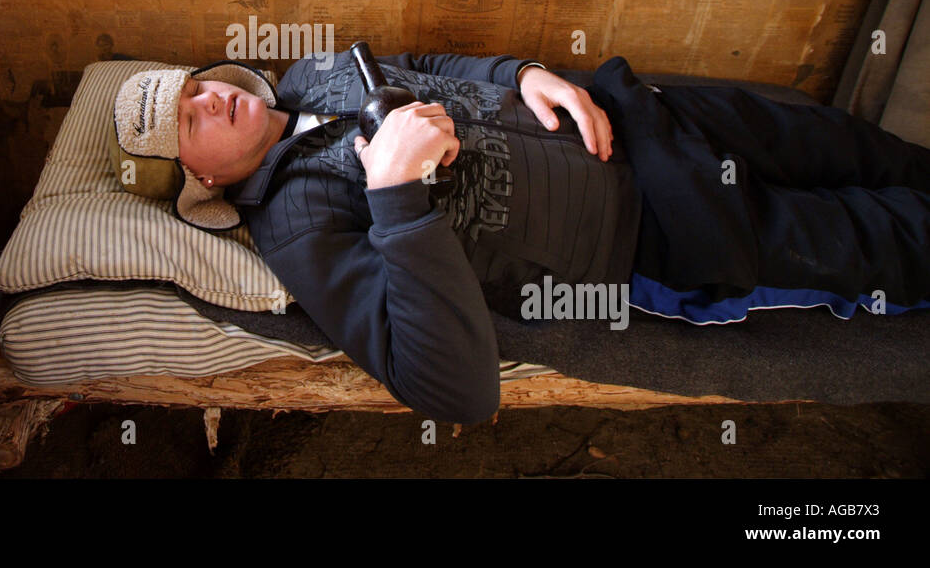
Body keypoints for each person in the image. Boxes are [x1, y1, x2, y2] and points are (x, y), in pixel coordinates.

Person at [109, 51, 930, 423]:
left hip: (642, 115)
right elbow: (454, 392)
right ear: (202, 180)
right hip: (660, 231)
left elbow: (430, 59)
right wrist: (396, 194)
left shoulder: (307, 73)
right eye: (190, 120)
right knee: (883, 237)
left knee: (855, 146)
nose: (211, 100)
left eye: (198, 87)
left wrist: (523, 77)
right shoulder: (293, 223)